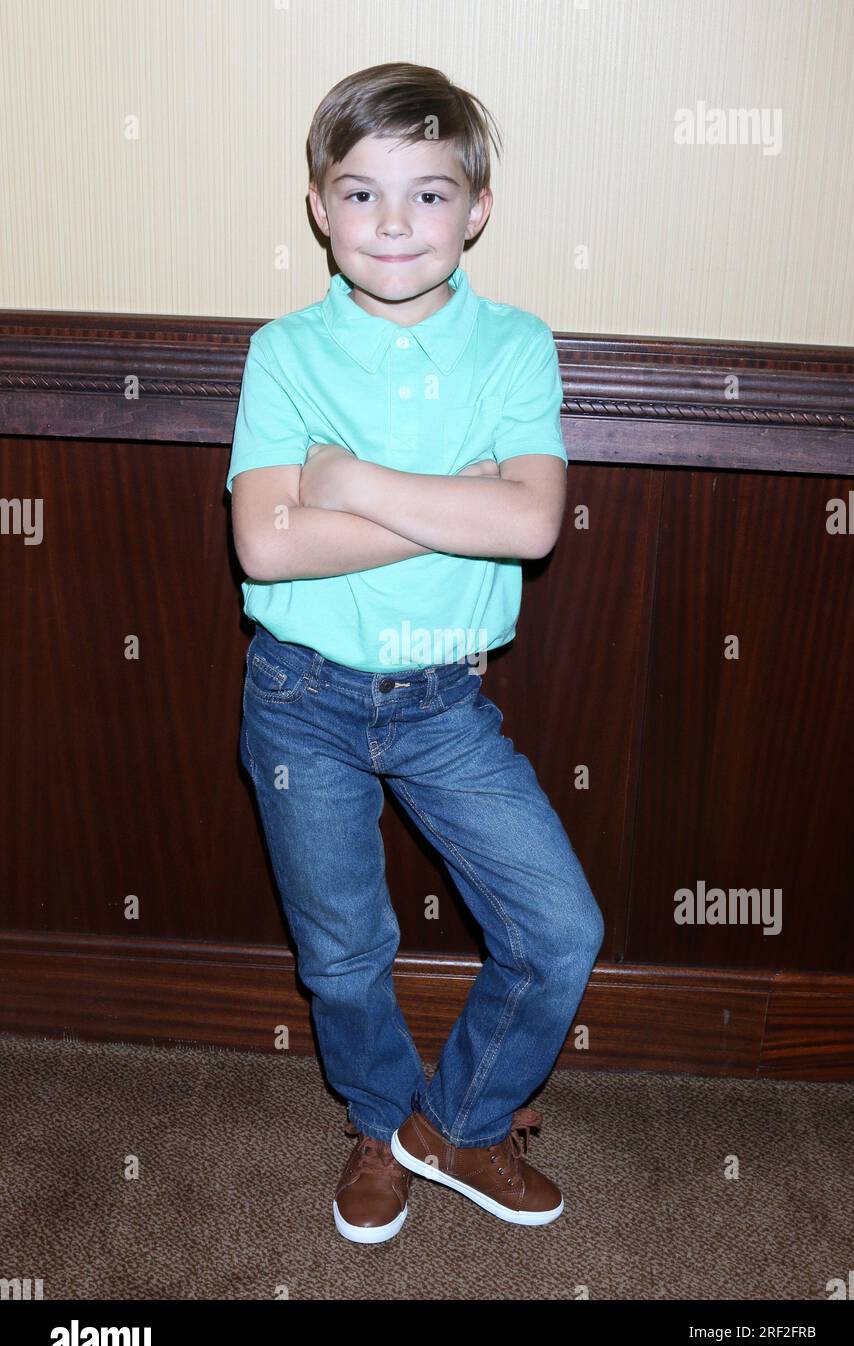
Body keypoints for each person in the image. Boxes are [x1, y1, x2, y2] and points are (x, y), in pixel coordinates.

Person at [225, 61, 605, 1244]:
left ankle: (447, 1125)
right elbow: (268, 550)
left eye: (428, 195)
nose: (394, 225)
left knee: (558, 930)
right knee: (343, 951)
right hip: (300, 697)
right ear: (315, 207)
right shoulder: (284, 352)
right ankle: (378, 1115)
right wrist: (453, 499)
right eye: (360, 195)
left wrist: (344, 481)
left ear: (476, 208)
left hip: (444, 701)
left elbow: (530, 523)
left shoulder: (512, 346)